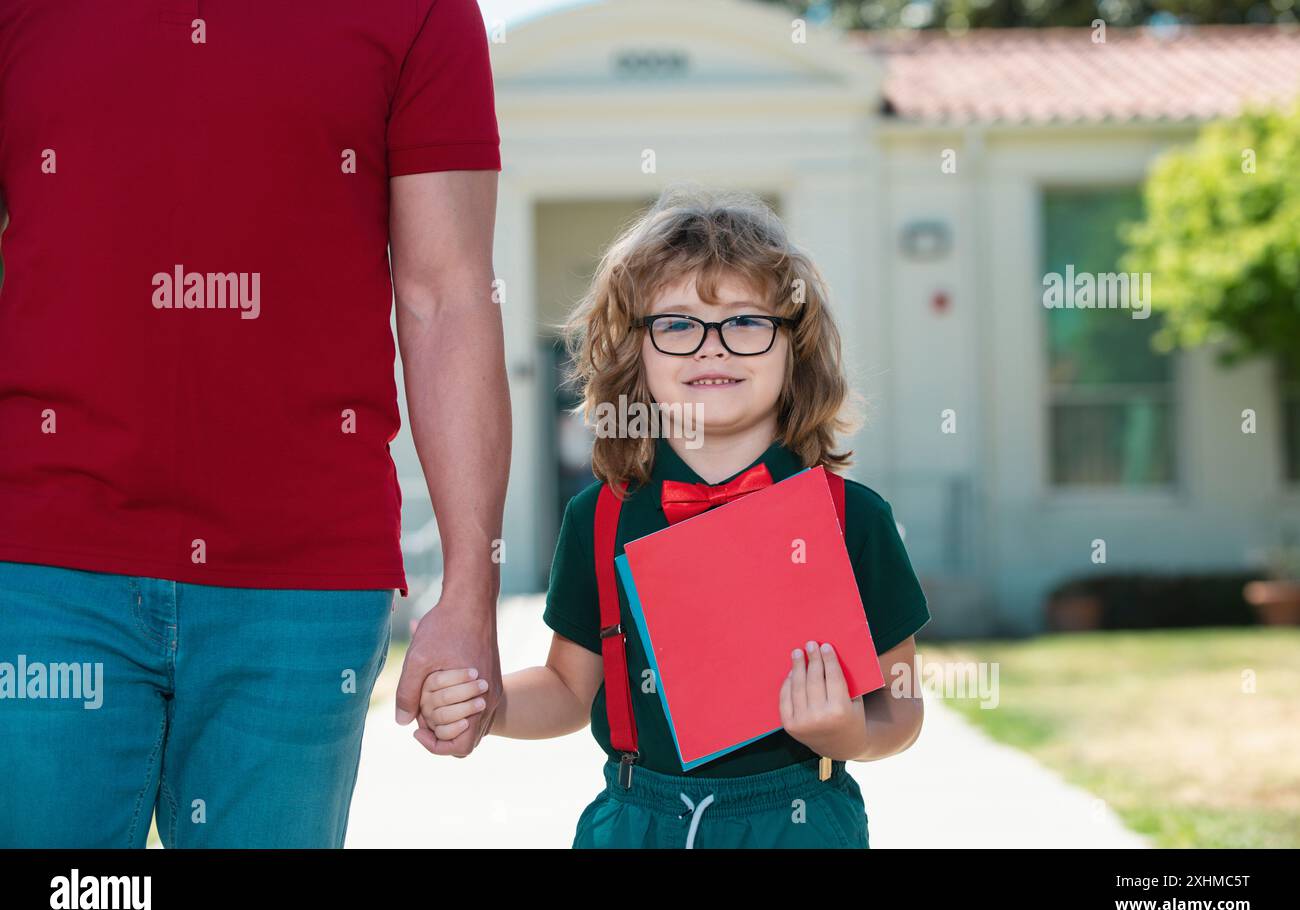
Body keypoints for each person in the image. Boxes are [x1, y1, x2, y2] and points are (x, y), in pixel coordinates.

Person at [0, 0, 506, 847]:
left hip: (301, 591)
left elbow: (447, 297)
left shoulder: (423, 11)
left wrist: (471, 587)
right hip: (42, 568)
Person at [420, 185, 931, 848]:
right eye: (678, 323)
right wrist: (485, 705)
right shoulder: (599, 518)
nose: (711, 347)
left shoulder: (852, 518)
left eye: (747, 322)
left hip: (801, 820)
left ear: (794, 348)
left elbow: (904, 705)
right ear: (637, 354)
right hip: (637, 820)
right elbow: (568, 690)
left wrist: (852, 733)